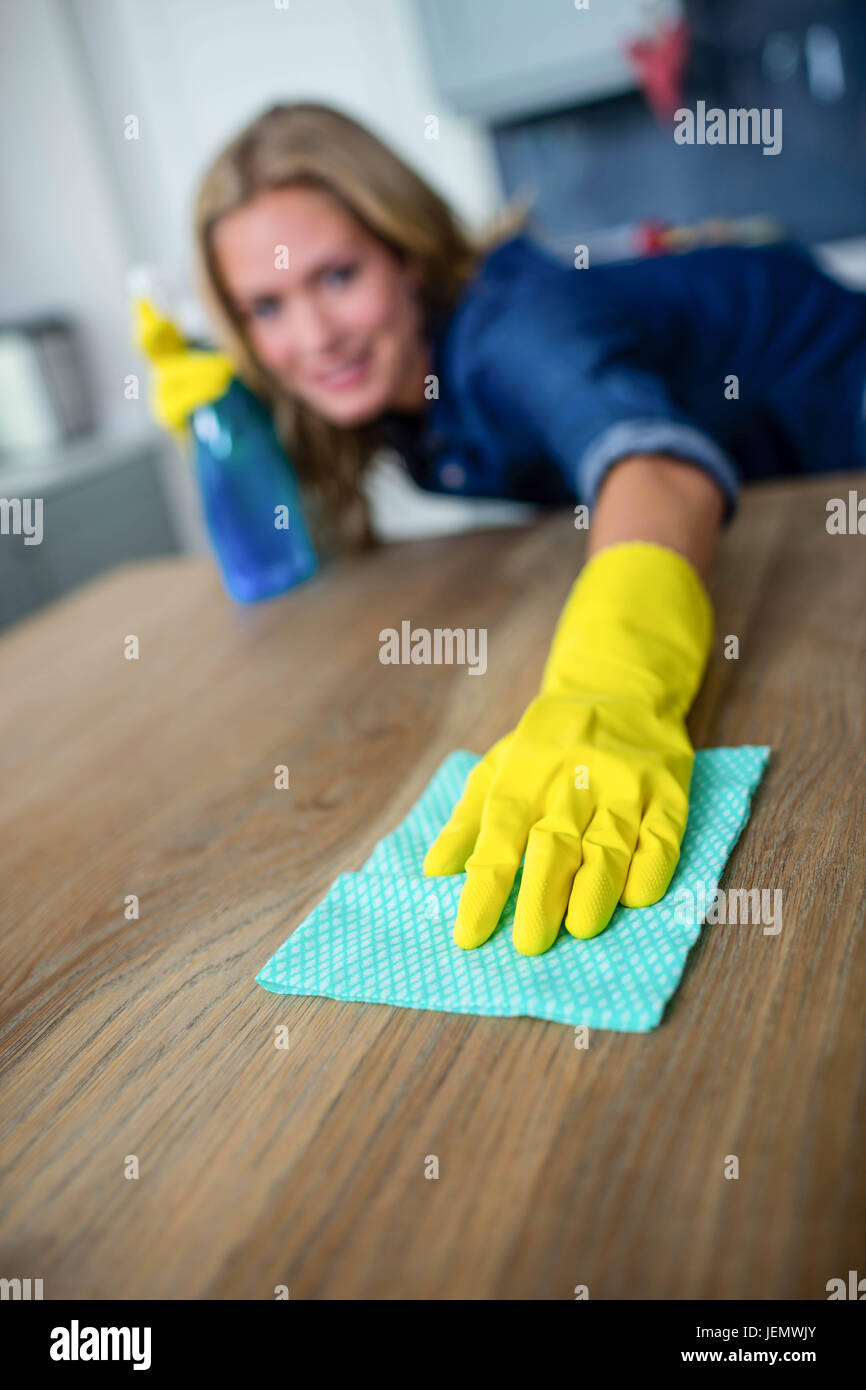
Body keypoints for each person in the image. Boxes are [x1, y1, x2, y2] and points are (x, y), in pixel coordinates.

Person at [134, 101, 866, 957]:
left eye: (337, 277)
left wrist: (608, 689)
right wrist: (233, 424)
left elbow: (653, 471)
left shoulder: (513, 329)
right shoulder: (377, 375)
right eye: (265, 308)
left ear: (406, 257)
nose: (314, 336)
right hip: (781, 493)